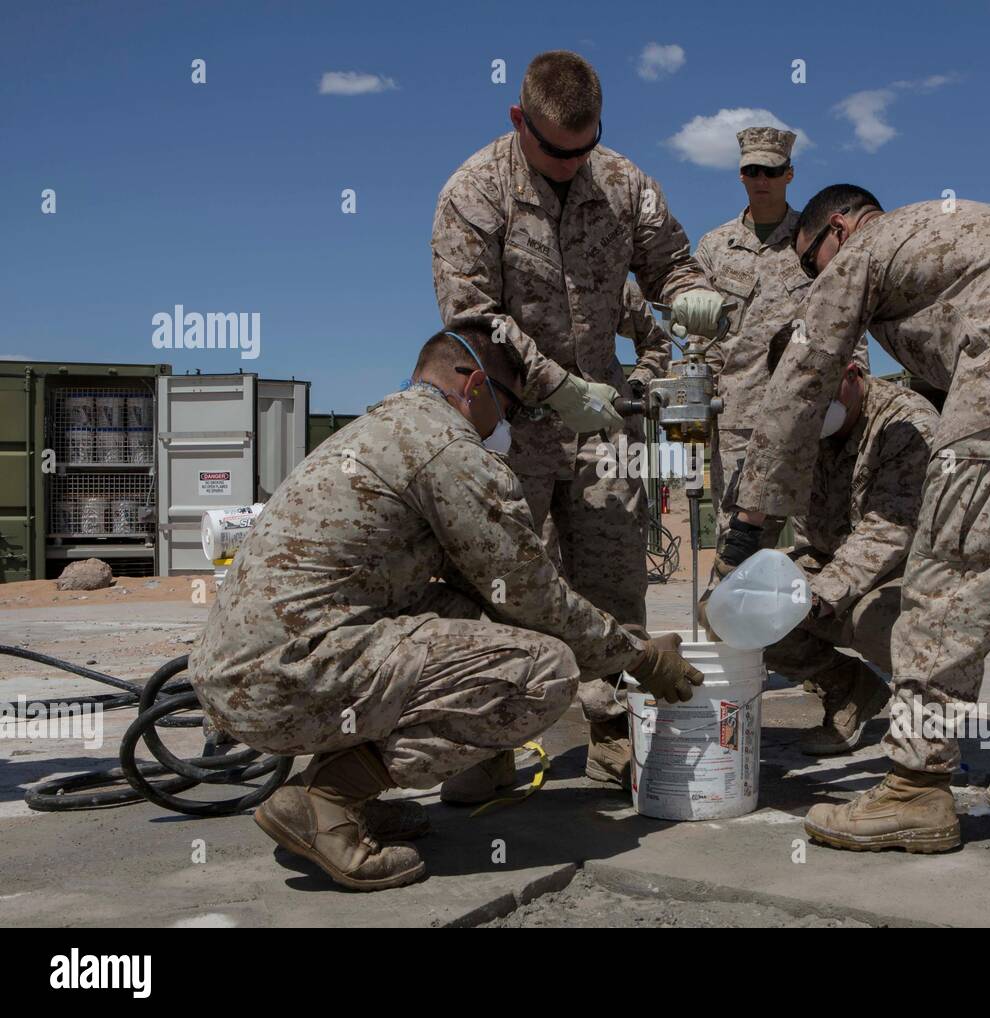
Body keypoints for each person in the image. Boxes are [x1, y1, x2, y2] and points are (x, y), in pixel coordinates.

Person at [189, 325, 703, 891]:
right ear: (476, 385)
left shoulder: (383, 425)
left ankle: (345, 796)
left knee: (477, 614)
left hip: (252, 669)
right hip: (282, 681)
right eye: (511, 408)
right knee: (545, 670)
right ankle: (326, 800)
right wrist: (638, 656)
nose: (510, 425)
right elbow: (533, 594)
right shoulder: (447, 449)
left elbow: (493, 595)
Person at [724, 186, 990, 853]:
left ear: (838, 228)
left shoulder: (865, 248)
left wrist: (748, 520)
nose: (817, 278)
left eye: (812, 263)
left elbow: (803, 376)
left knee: (948, 575)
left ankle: (915, 788)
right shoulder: (963, 229)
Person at [432, 50, 722, 790]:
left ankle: (613, 733)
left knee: (613, 586)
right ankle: (483, 750)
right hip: (509, 431)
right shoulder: (474, 193)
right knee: (496, 588)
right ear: (519, 120)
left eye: (584, 148)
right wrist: (556, 386)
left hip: (602, 431)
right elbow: (472, 324)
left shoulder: (624, 183)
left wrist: (689, 292)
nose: (571, 164)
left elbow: (671, 264)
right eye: (556, 151)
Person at [756, 337, 937, 755]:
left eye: (820, 393)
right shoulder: (795, 421)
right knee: (744, 609)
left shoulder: (908, 424)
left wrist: (819, 596)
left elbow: (891, 528)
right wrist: (736, 572)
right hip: (828, 559)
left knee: (874, 621)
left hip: (906, 572)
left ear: (852, 373)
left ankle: (927, 728)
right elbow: (766, 494)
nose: (811, 408)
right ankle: (849, 688)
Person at [691, 127, 868, 548]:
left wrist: (854, 390)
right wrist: (697, 402)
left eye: (771, 171)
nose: (762, 180)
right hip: (738, 419)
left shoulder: (813, 238)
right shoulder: (715, 248)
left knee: (821, 534)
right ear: (741, 174)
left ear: (789, 174)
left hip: (812, 410)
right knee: (739, 539)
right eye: (753, 170)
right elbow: (698, 339)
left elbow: (847, 313)